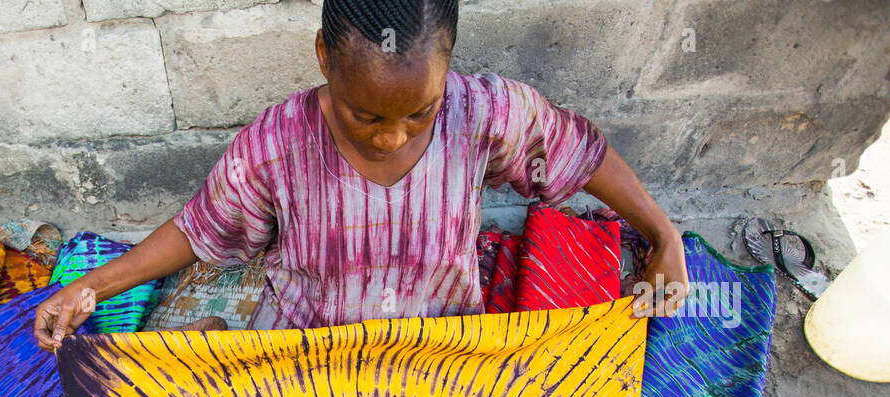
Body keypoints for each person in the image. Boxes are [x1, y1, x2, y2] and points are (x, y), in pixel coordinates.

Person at [34, 0, 688, 350]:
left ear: (449, 66)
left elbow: (579, 153)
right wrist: (91, 286)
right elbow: (203, 229)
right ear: (324, 57)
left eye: (419, 113)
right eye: (364, 114)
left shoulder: (484, 115)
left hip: (439, 349)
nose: (391, 136)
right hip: (307, 354)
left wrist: (664, 238)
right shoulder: (278, 145)